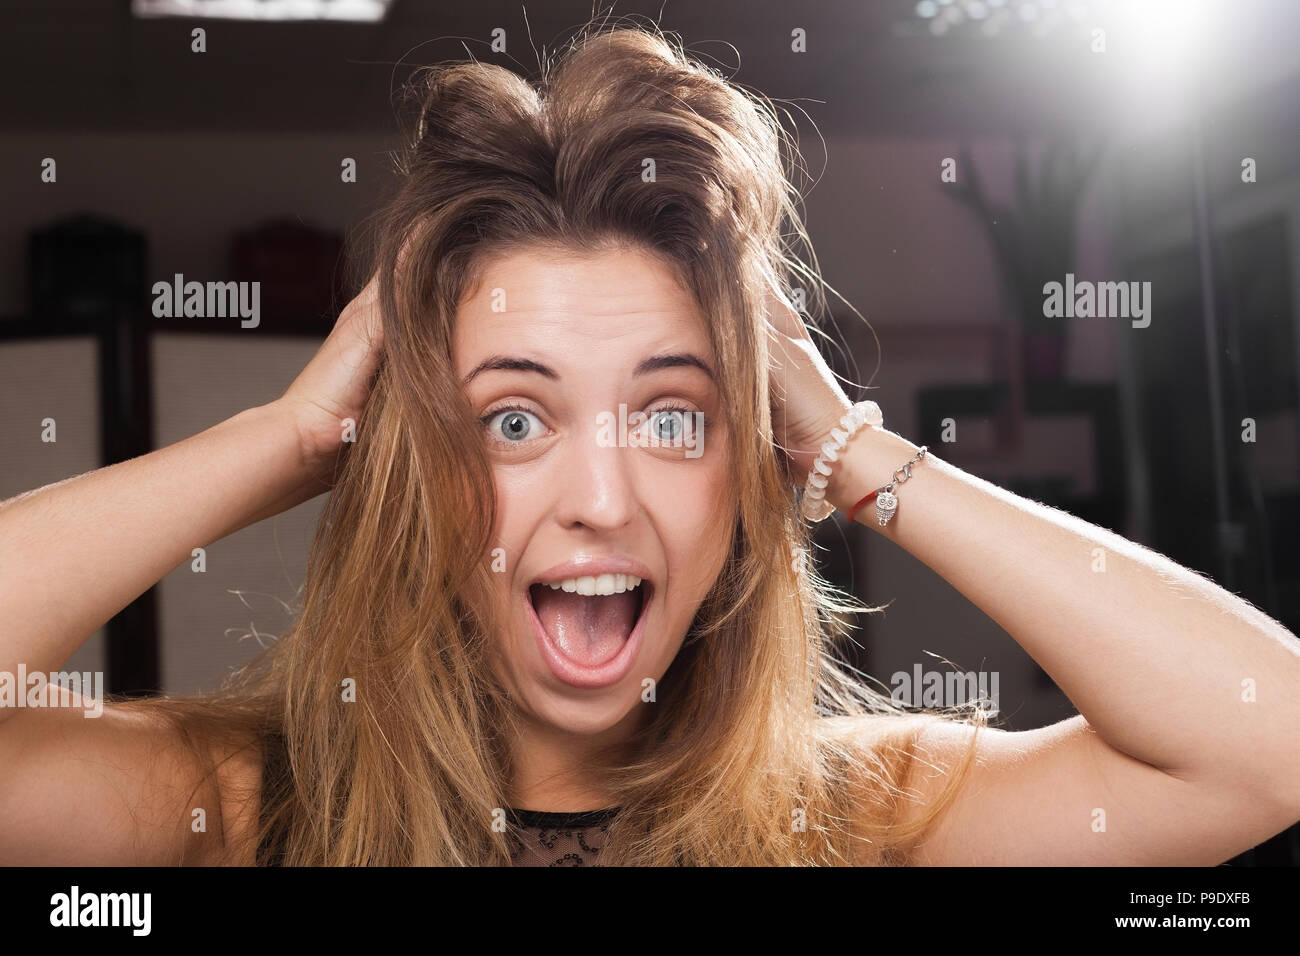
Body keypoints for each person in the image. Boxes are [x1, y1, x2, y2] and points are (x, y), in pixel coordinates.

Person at [1, 22, 1297, 867]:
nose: (602, 500)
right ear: (415, 479)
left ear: (745, 474)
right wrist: (283, 440)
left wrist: (850, 449)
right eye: (515, 421)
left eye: (675, 415)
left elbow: (1272, 741)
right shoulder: (241, 808)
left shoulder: (857, 822)